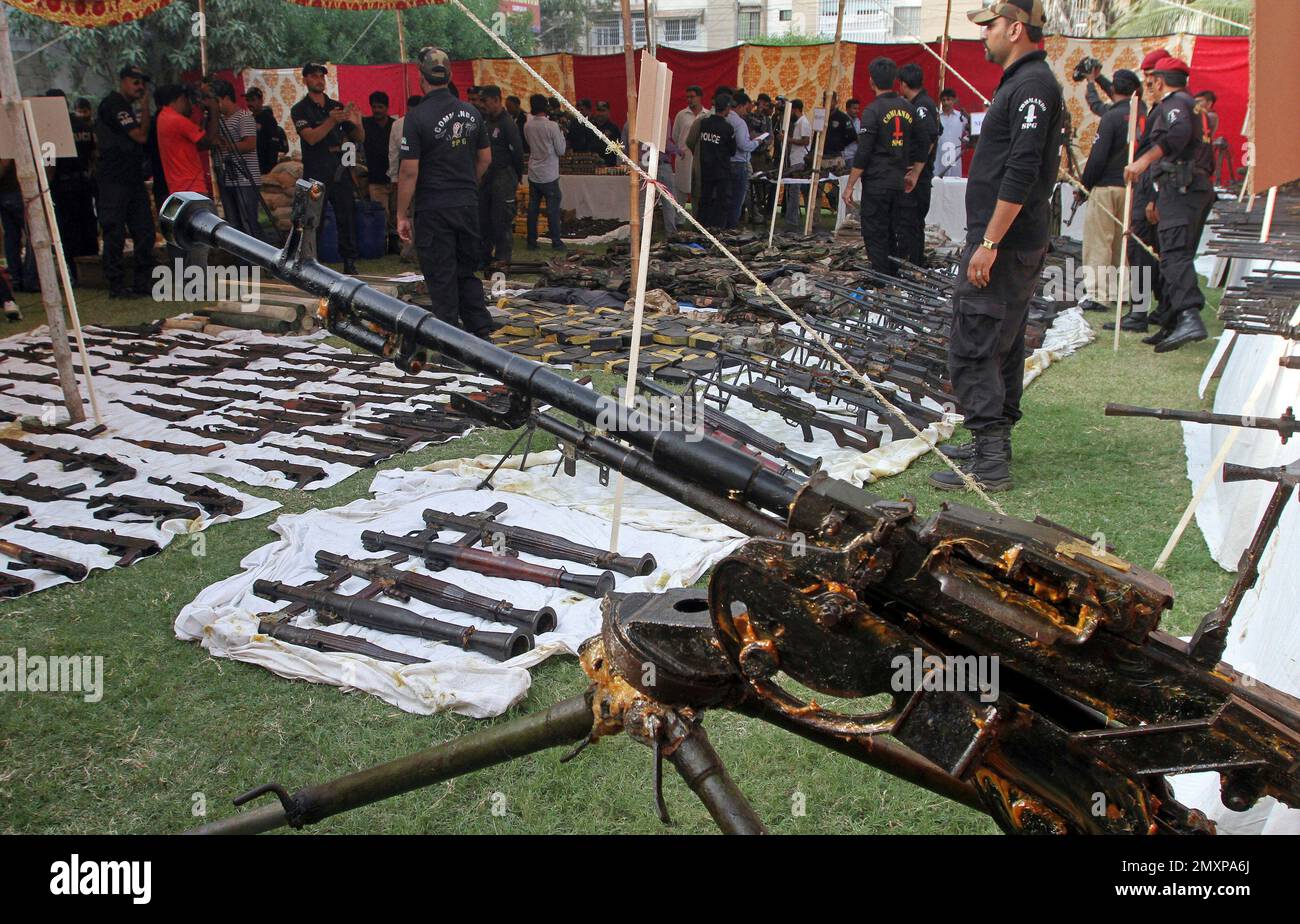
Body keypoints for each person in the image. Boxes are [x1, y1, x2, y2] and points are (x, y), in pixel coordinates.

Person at [929, 0, 1063, 493]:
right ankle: (992, 441)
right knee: (1001, 344)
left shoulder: (1031, 86)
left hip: (1003, 242)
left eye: (989, 26)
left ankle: (989, 456)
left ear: (1015, 27)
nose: (983, 35)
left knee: (974, 344)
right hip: (1012, 239)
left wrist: (989, 241)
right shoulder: (1026, 83)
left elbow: (1022, 170)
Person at [397, 47, 493, 338]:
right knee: (466, 271)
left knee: (441, 276)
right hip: (466, 203)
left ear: (420, 78)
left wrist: (401, 213)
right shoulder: (472, 112)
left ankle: (450, 340)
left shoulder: (416, 118)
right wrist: (466, 184)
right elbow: (486, 159)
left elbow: (409, 171)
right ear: (449, 75)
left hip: (433, 207)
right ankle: (481, 332)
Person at [1122, 56, 1212, 353]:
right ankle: (1174, 320)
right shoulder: (1188, 103)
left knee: (1174, 254)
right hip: (1179, 187)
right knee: (1172, 253)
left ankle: (1188, 315)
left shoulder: (1175, 105)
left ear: (1160, 81)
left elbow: (1177, 134)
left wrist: (1143, 161)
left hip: (1181, 187)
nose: (1149, 85)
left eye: (1151, 80)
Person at [841, 58, 926, 277]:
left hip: (877, 182)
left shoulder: (873, 111)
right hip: (899, 182)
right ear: (895, 81)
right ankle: (894, 274)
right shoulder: (909, 107)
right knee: (894, 230)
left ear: (871, 81)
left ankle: (881, 280)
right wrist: (915, 173)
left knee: (875, 231)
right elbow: (924, 142)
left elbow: (864, 151)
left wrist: (850, 185)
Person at [1078, 70, 1143, 316]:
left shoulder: (1111, 117)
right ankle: (1122, 291)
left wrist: (1085, 186)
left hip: (1106, 186)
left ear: (1114, 90)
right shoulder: (1142, 112)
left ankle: (1098, 294)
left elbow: (1097, 158)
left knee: (1099, 242)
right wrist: (1099, 79)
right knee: (1121, 243)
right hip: (1131, 186)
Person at [290, 62, 363, 274]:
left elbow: (357, 138)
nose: (318, 80)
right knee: (313, 219)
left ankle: (349, 261)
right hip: (316, 168)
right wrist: (331, 121)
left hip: (339, 166)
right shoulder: (300, 109)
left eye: (321, 76)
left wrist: (357, 122)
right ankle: (312, 262)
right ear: (305, 80)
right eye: (313, 76)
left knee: (346, 215)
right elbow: (311, 138)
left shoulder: (336, 106)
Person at [97, 65, 157, 298]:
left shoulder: (126, 108)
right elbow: (140, 136)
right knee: (114, 232)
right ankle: (116, 284)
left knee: (144, 230)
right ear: (122, 81)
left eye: (142, 83)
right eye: (135, 82)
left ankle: (143, 282)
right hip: (114, 180)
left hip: (131, 178)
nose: (140, 87)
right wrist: (144, 107)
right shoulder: (114, 105)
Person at [155, 83, 220, 268]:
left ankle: (186, 283)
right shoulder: (176, 119)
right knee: (199, 240)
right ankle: (197, 285)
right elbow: (208, 141)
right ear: (179, 99)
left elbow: (196, 143)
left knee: (181, 240)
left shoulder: (163, 117)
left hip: (177, 188)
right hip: (193, 189)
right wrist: (214, 109)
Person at [477, 85, 524, 271]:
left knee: (501, 219)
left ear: (496, 100)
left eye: (486, 101)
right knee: (483, 219)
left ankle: (503, 258)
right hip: (486, 176)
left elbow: (518, 153)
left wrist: (516, 175)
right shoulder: (485, 122)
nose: (483, 105)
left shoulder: (507, 124)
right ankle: (483, 257)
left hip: (503, 175)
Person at [211, 78, 263, 241]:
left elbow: (250, 144)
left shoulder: (243, 117)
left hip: (245, 179)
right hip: (227, 178)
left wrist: (226, 145)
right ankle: (243, 265)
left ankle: (256, 261)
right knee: (233, 225)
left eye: (217, 101)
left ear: (225, 98)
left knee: (248, 223)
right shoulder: (219, 120)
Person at [898, 64, 940, 265]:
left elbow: (930, 136)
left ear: (904, 84)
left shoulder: (922, 106)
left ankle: (913, 261)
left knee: (912, 220)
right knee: (907, 218)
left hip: (919, 175)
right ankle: (909, 257)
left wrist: (916, 169)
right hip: (917, 171)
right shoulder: (918, 103)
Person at [524, 94, 566, 251]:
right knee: (553, 208)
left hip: (534, 171)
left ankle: (531, 241)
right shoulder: (552, 126)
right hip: (549, 173)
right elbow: (561, 150)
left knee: (533, 208)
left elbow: (529, 144)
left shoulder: (527, 125)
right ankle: (556, 241)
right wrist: (561, 133)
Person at [696, 92, 736, 229]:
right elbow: (732, 150)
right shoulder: (727, 128)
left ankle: (700, 227)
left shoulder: (704, 123)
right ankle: (719, 229)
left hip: (706, 168)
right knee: (722, 201)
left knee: (704, 199)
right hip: (722, 170)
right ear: (727, 108)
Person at [362, 90, 396, 242]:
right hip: (375, 177)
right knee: (381, 212)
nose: (377, 110)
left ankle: (395, 243)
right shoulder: (365, 124)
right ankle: (382, 242)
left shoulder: (395, 125)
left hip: (395, 177)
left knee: (396, 213)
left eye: (380, 107)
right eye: (374, 107)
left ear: (387, 108)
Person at [724, 92, 762, 229]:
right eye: (746, 108)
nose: (747, 112)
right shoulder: (739, 123)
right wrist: (757, 142)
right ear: (740, 106)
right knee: (736, 200)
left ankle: (725, 226)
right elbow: (743, 145)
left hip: (726, 163)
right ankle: (731, 228)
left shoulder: (725, 118)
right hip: (738, 163)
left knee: (726, 198)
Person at [672, 85, 706, 211]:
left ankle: (697, 219)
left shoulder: (706, 115)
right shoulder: (681, 115)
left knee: (698, 189)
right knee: (681, 189)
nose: (689, 100)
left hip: (700, 159)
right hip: (684, 158)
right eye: (687, 97)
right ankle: (678, 220)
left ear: (699, 97)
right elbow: (675, 136)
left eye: (692, 97)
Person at [782, 99, 812, 229]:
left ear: (795, 109)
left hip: (799, 159)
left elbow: (806, 141)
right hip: (796, 158)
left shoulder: (803, 122)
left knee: (795, 191)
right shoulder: (800, 122)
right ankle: (793, 218)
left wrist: (788, 139)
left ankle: (792, 220)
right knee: (794, 190)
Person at [244, 87, 288, 176]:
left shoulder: (268, 119)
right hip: (252, 166)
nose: (249, 103)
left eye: (253, 100)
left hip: (264, 168)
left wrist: (269, 170)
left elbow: (273, 145)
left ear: (261, 101)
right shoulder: (249, 119)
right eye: (248, 100)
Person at [936, 88, 970, 178]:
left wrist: (965, 140)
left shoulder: (961, 117)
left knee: (954, 182)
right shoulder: (937, 117)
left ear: (954, 100)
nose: (946, 103)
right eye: (943, 100)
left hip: (955, 155)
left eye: (948, 99)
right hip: (939, 155)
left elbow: (970, 132)